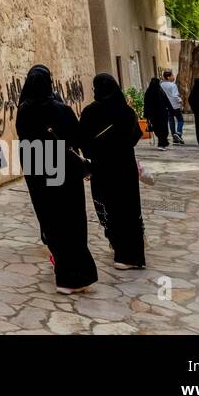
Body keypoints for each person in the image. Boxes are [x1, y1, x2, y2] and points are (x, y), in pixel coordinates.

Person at [16, 64, 98, 294]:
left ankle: (64, 275)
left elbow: (24, 142)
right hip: (65, 174)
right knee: (73, 222)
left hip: (39, 174)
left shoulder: (23, 111)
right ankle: (78, 275)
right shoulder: (62, 110)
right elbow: (78, 138)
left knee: (52, 221)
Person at [78, 74, 147, 270]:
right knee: (130, 209)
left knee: (110, 208)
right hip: (124, 166)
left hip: (103, 168)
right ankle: (132, 256)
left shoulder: (90, 112)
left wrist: (95, 153)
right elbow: (135, 136)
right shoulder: (126, 111)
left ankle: (119, 249)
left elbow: (82, 140)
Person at [143, 76, 171, 151]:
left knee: (158, 129)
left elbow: (146, 104)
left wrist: (146, 115)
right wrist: (170, 110)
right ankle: (161, 144)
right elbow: (166, 101)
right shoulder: (160, 91)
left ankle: (163, 142)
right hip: (161, 114)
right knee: (162, 129)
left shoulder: (148, 92)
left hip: (154, 115)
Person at [161, 70, 185, 144]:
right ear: (168, 77)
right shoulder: (172, 85)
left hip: (166, 106)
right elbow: (175, 95)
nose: (173, 77)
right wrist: (180, 101)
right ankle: (178, 133)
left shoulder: (161, 85)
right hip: (174, 105)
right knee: (180, 120)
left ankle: (174, 137)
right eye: (172, 75)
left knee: (171, 121)